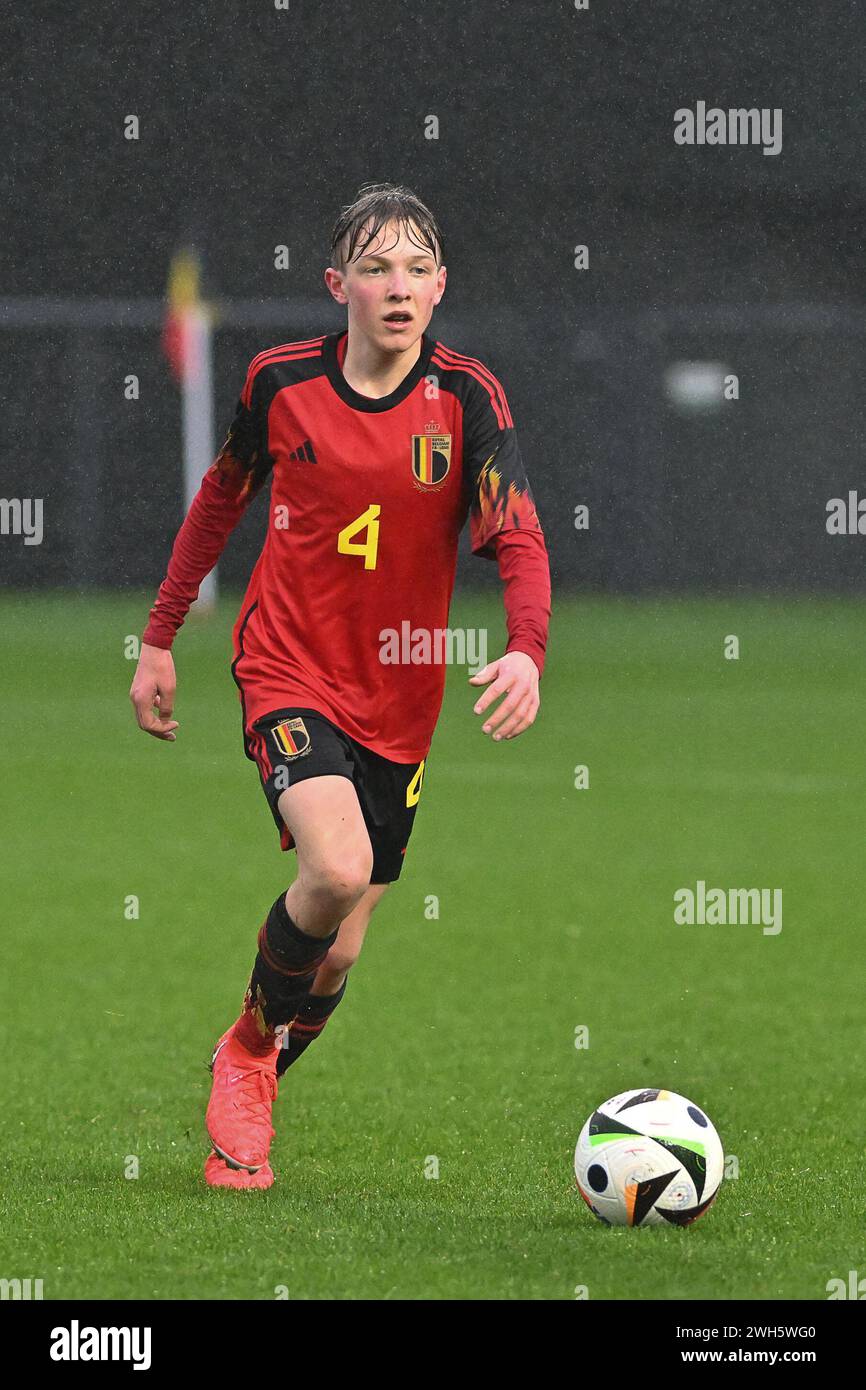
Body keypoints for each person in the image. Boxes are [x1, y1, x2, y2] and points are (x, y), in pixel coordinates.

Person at [130, 183, 551, 1189]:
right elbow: (217, 500)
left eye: (414, 268)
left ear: (440, 286)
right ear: (337, 285)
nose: (396, 287)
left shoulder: (467, 399)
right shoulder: (280, 385)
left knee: (341, 947)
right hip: (285, 665)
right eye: (374, 267)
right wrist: (157, 637)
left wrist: (526, 646)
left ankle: (263, 1060)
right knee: (334, 867)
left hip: (400, 691)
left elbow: (518, 532)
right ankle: (244, 1051)